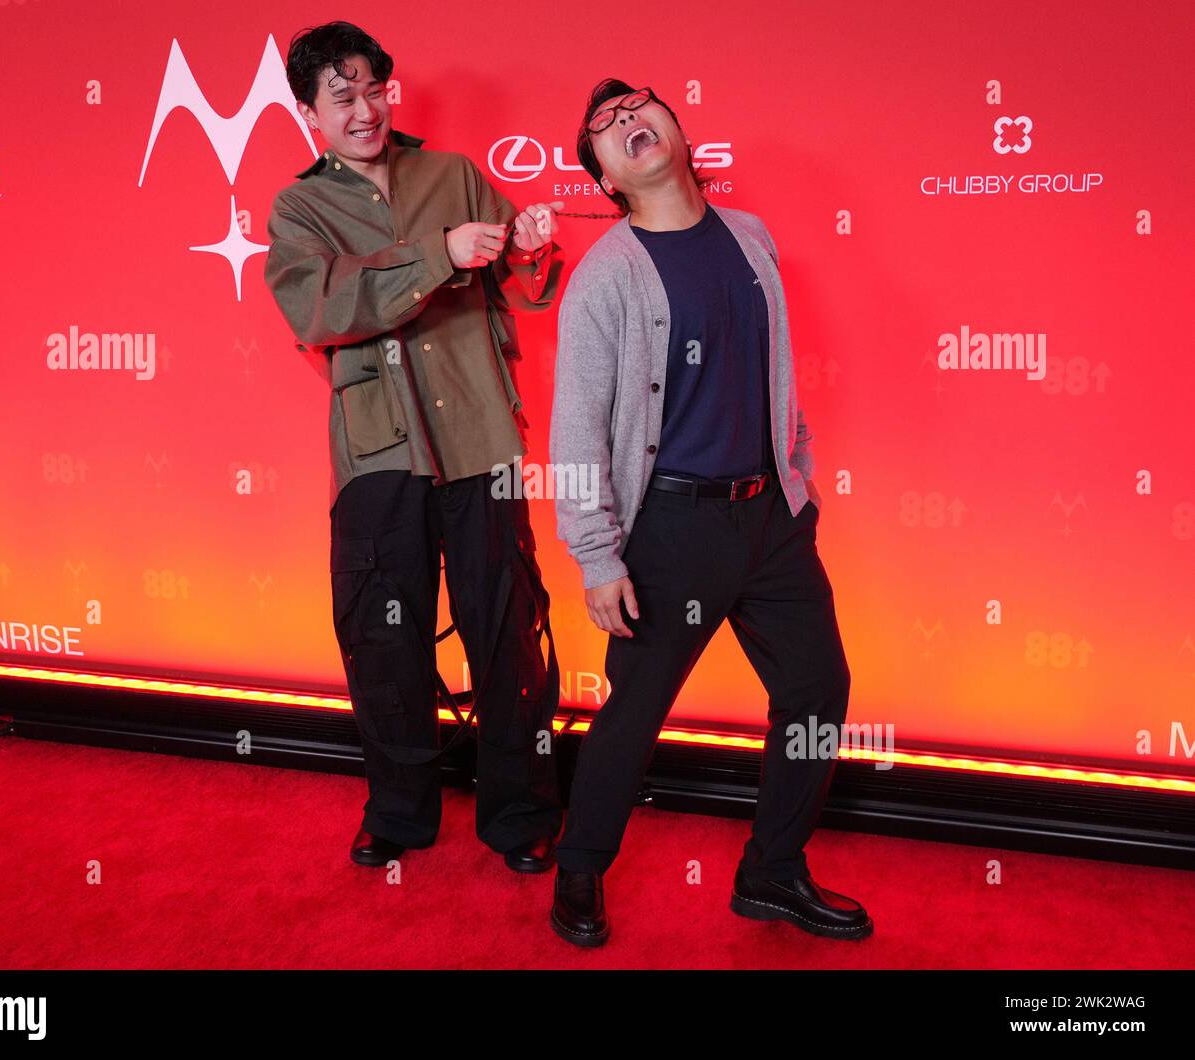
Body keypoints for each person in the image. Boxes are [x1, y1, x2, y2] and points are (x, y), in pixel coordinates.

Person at [548, 79, 871, 944]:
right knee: (635, 711)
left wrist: (795, 481)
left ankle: (773, 872)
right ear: (606, 179)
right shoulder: (606, 277)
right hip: (672, 531)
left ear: (681, 127)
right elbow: (576, 424)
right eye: (606, 129)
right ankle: (579, 868)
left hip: (770, 519)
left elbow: (775, 372)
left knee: (816, 690)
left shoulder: (751, 237)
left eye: (639, 108)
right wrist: (597, 555)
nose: (628, 124)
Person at [263, 21, 565, 872]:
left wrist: (534, 248)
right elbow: (322, 310)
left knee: (506, 627)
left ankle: (520, 814)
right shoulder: (299, 209)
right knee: (381, 637)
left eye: (373, 89)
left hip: (480, 432)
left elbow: (523, 286)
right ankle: (397, 810)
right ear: (310, 113)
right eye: (342, 95)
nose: (364, 109)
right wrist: (436, 254)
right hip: (377, 453)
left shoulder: (456, 175)